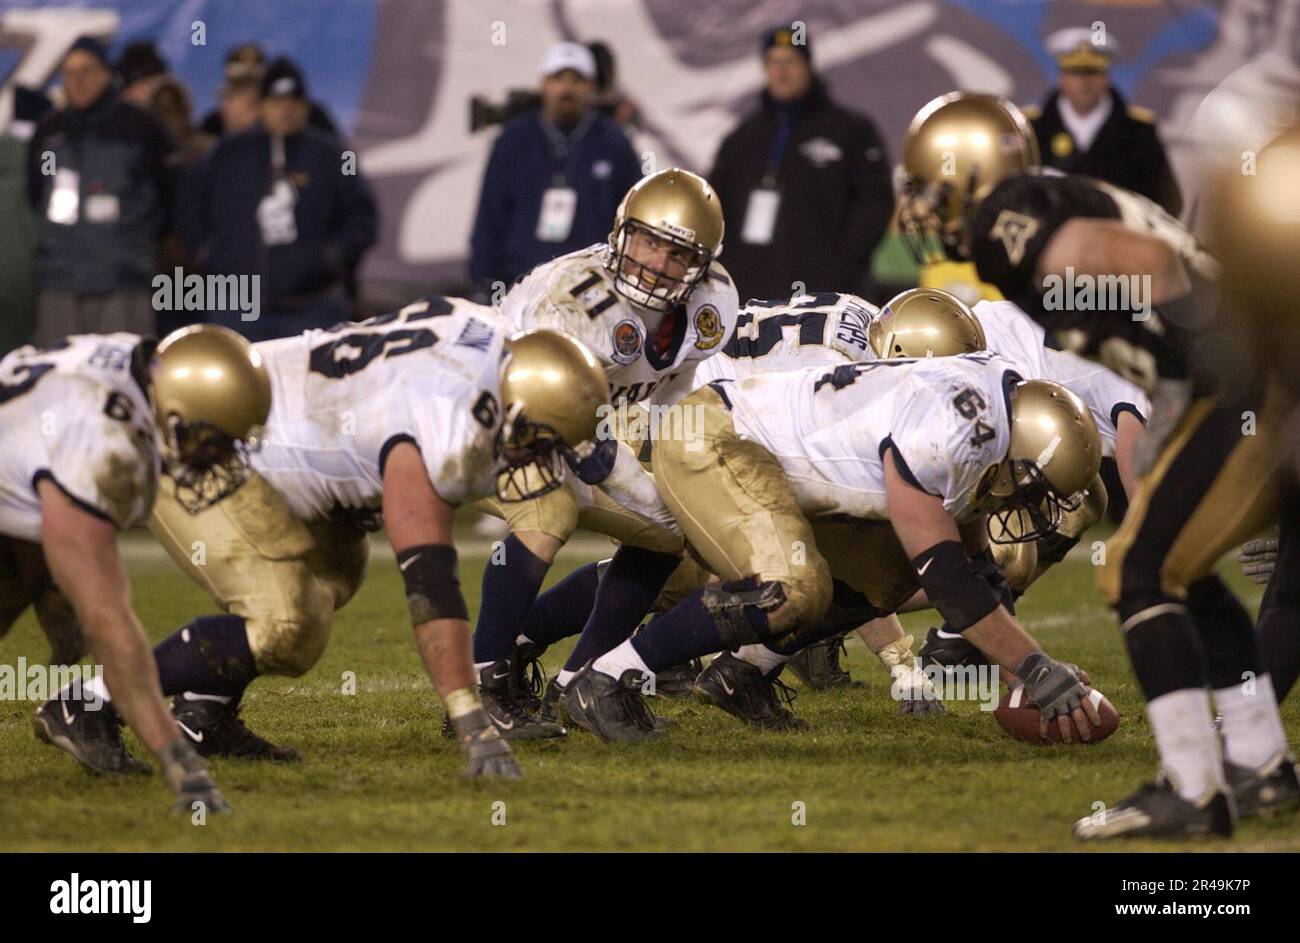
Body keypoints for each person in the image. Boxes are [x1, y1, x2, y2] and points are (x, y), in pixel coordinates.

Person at [897, 91, 1298, 839]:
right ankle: (1261, 758)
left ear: (972, 172)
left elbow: (1145, 265)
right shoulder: (1046, 202)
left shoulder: (1011, 223)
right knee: (1183, 569)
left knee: (1138, 571)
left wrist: (1200, 363)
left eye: (931, 183)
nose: (922, 205)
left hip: (1240, 381)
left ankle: (1194, 786)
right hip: (1240, 379)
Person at [39, 297, 611, 781]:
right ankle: (87, 703)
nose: (540, 463)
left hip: (283, 430)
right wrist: (470, 719)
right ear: (508, 408)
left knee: (339, 568)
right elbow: (431, 584)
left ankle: (204, 710)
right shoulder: (442, 422)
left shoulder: (491, 336)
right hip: (215, 444)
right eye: (539, 445)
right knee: (289, 624)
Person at [562, 354, 1105, 743]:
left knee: (886, 577)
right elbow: (946, 576)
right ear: (1017, 447)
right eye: (1033, 488)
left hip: (776, 461)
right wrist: (1033, 667)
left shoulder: (991, 413)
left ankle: (739, 674)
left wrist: (1026, 672)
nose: (1029, 504)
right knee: (791, 590)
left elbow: (972, 568)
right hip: (720, 436)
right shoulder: (952, 433)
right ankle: (605, 679)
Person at [468, 169, 738, 738]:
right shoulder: (576, 300)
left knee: (665, 532)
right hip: (493, 415)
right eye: (648, 242)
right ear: (620, 232)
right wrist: (642, 482)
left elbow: (673, 391)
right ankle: (483, 687)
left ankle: (584, 682)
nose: (657, 264)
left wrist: (671, 472)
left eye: (677, 254)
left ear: (704, 264)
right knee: (551, 508)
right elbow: (569, 431)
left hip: (572, 421)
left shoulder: (713, 304)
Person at [9, 325, 270, 813]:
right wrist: (180, 765)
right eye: (212, 445)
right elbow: (108, 622)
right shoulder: (106, 445)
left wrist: (44, 587)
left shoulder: (137, 359)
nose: (218, 462)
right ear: (175, 415)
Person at [180, 57, 377, 340]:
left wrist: (331, 259)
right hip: (237, 308)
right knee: (241, 384)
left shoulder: (330, 155)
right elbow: (190, 208)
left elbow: (362, 217)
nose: (285, 110)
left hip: (312, 305)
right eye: (276, 102)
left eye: (293, 102)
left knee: (311, 383)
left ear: (306, 106)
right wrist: (208, 254)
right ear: (261, 105)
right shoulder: (227, 154)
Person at [708, 25, 893, 302]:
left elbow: (875, 201)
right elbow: (715, 203)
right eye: (773, 61)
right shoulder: (742, 136)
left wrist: (840, 263)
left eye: (790, 61)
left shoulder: (851, 130)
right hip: (748, 289)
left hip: (826, 293)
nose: (782, 71)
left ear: (808, 65)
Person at [26, 37, 178, 343]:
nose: (78, 80)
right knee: (62, 377)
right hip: (61, 283)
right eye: (69, 73)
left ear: (107, 73)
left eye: (86, 70)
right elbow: (36, 192)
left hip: (123, 282)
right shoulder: (48, 133)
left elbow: (169, 197)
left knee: (122, 375)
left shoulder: (141, 127)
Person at [468, 41, 642, 292]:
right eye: (558, 78)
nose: (566, 88)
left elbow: (632, 221)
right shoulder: (513, 139)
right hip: (520, 282)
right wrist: (485, 282)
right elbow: (489, 216)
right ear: (543, 83)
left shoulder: (615, 142)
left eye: (577, 79)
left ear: (592, 87)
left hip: (594, 285)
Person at [1025, 28, 1182, 216]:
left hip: (1119, 239)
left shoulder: (1139, 132)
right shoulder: (1032, 129)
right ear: (1062, 78)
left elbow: (1166, 201)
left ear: (1106, 77)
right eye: (1075, 72)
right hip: (1051, 241)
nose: (1084, 82)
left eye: (1092, 72)